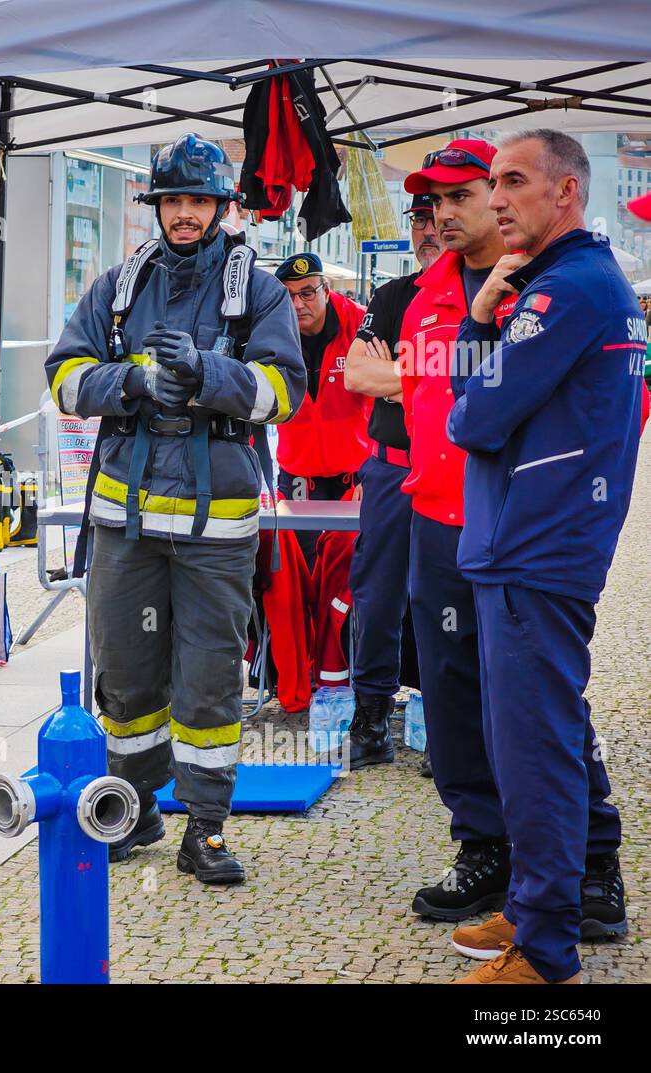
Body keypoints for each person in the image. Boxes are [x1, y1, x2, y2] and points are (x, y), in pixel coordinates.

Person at [45, 133, 306, 884]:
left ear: (222, 207)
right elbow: (63, 377)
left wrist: (207, 374)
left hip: (215, 528)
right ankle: (136, 804)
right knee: (125, 679)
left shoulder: (255, 289)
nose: (185, 214)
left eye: (198, 201)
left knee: (208, 679)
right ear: (157, 207)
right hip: (123, 523)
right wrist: (129, 381)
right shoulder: (118, 285)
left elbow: (283, 391)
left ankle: (208, 828)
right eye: (173, 201)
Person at [446, 130, 636, 985]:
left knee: (534, 746)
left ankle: (549, 950)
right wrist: (486, 319)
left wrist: (480, 320)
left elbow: (470, 419)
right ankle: (536, 903)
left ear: (566, 191)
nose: (496, 200)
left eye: (513, 182)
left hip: (534, 543)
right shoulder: (576, 284)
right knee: (538, 732)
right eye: (493, 184)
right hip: (530, 540)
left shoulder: (568, 292)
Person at [397, 139, 518, 927]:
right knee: (449, 697)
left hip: (516, 528)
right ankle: (483, 847)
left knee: (535, 696)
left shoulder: (541, 284)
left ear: (499, 195)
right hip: (435, 524)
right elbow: (417, 404)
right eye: (433, 201)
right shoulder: (425, 295)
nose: (443, 214)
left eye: (460, 196)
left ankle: (586, 858)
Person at [339, 194, 441, 770]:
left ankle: (445, 719)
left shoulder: (488, 293)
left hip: (455, 463)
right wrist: (431, 380)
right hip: (391, 464)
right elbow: (357, 373)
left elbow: (475, 384)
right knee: (376, 592)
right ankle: (372, 715)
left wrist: (401, 378)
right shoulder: (392, 295)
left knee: (447, 594)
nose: (427, 228)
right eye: (420, 218)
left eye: (439, 214)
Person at [273, 252, 370, 565]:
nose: (298, 304)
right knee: (303, 567)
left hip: (354, 474)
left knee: (352, 569)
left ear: (326, 290)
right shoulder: (272, 333)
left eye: (307, 292)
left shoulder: (359, 323)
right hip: (299, 474)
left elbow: (386, 400)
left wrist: (373, 475)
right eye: (288, 295)